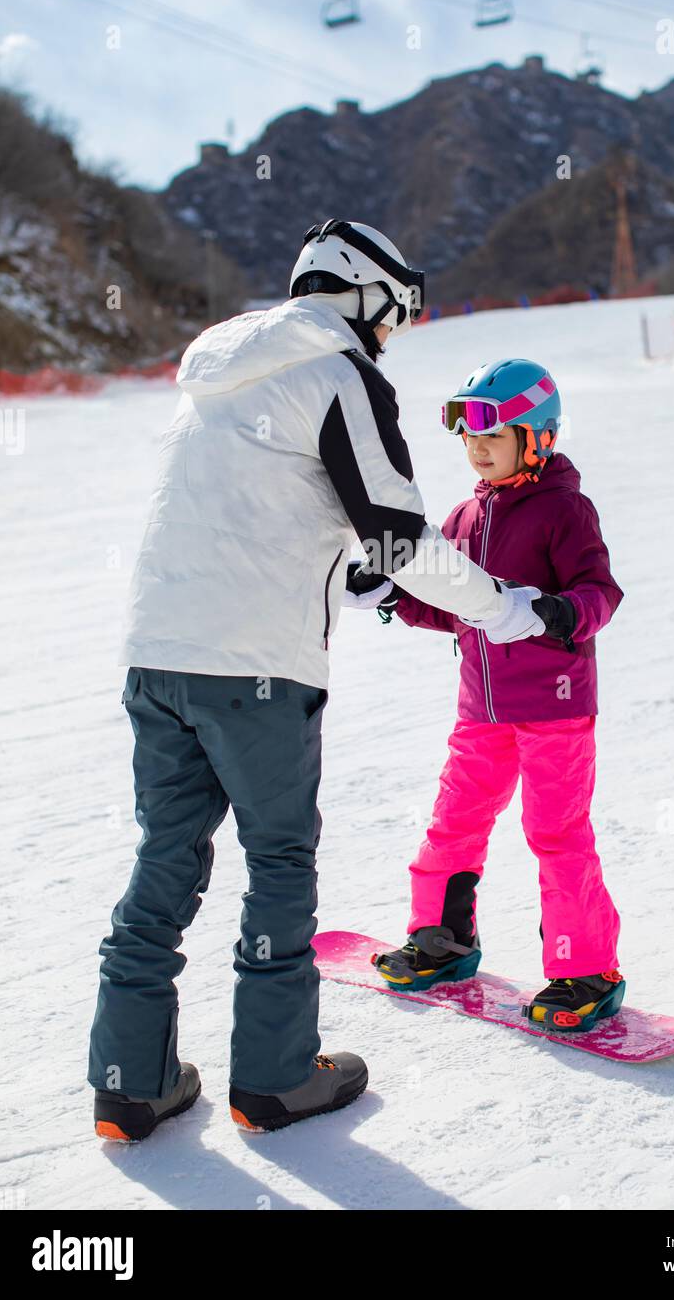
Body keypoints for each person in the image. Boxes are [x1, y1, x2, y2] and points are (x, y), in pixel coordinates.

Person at [87, 220, 550, 1140]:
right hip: (255, 670)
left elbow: (260, 517)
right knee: (279, 860)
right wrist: (502, 607)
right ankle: (274, 1077)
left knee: (165, 855)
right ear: (365, 295)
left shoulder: (216, 378)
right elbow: (394, 534)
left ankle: (128, 1083)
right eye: (394, 315)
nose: (391, 335)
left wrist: (350, 567)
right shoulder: (340, 372)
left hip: (157, 655)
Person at [345, 357, 625, 1032]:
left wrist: (552, 612)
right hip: (481, 711)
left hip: (555, 710)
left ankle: (584, 968)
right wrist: (393, 594)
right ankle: (443, 940)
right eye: (467, 433)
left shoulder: (565, 510)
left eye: (492, 434)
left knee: (555, 833)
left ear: (537, 439)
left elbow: (599, 595)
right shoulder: (465, 516)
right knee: (454, 822)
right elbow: (450, 608)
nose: (476, 446)